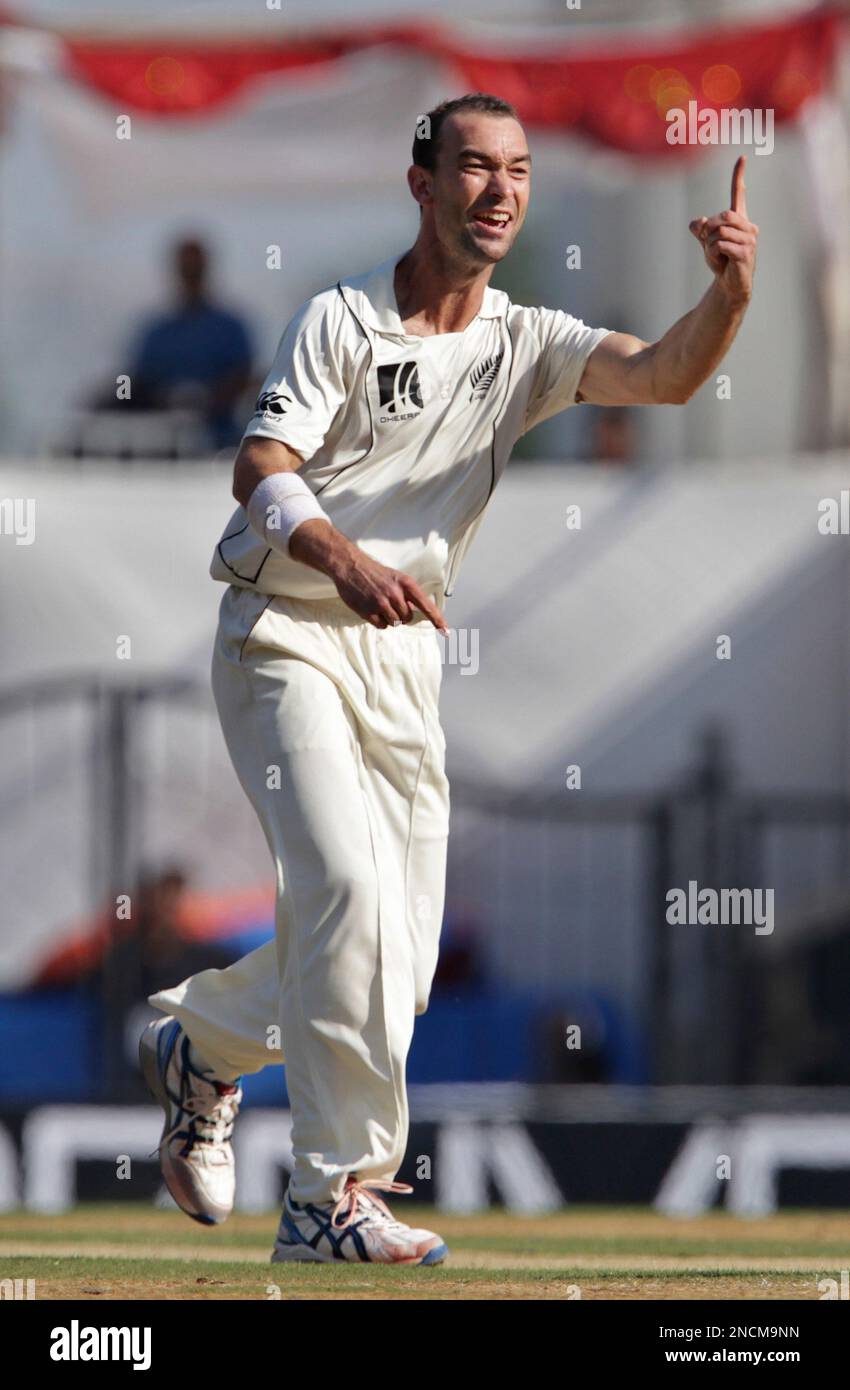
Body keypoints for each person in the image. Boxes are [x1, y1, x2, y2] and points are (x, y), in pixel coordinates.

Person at [139, 93, 758, 1264]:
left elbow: (668, 376)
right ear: (420, 184)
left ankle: (203, 1044)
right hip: (287, 631)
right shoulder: (341, 320)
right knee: (347, 900)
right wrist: (343, 558)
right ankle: (334, 1196)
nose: (500, 192)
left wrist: (726, 299)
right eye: (474, 169)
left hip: (402, 661)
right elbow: (258, 463)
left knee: (395, 971)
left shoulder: (523, 343)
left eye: (518, 171)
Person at [126, 238, 252, 449]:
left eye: (196, 269)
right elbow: (139, 380)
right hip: (161, 443)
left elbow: (244, 375)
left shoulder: (230, 328)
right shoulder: (157, 331)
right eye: (186, 269)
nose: (191, 275)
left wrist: (207, 403)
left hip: (221, 444)